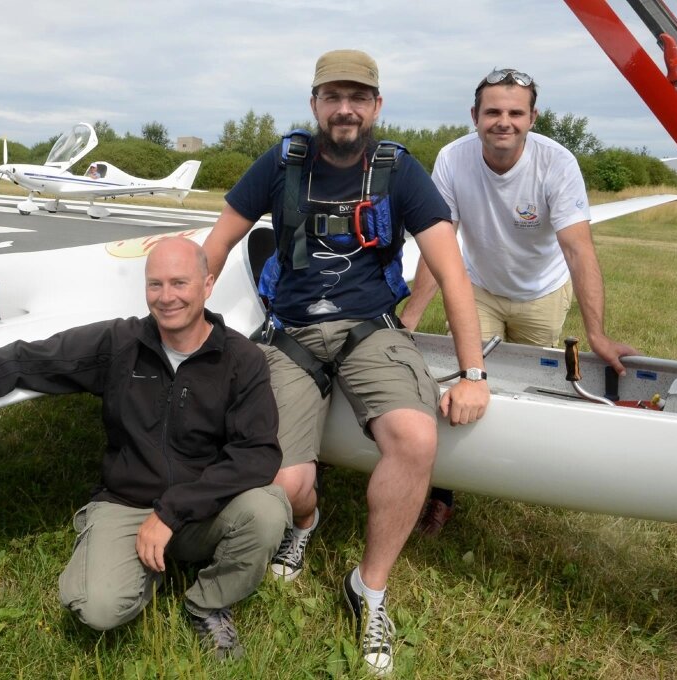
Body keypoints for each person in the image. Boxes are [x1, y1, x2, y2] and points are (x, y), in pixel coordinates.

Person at [0, 237, 291, 661]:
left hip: (199, 508)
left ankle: (208, 602)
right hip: (127, 502)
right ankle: (143, 566)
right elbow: (26, 359)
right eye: (154, 284)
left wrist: (172, 513)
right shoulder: (120, 344)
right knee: (96, 609)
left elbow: (257, 454)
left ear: (207, 285)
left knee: (269, 509)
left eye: (180, 283)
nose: (166, 297)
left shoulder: (241, 358)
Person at [202, 49, 489, 675]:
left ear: (377, 107)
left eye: (358, 97)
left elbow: (451, 272)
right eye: (332, 96)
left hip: (371, 329)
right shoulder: (282, 163)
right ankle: (306, 522)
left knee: (415, 439)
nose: (345, 109)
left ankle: (369, 588)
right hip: (294, 331)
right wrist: (183, 321)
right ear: (314, 104)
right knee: (282, 486)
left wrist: (473, 374)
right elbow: (218, 244)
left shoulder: (399, 170)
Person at [399, 67, 638, 536]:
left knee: (526, 388)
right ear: (475, 116)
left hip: (541, 293)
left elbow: (578, 250)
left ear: (532, 117)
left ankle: (509, 468)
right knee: (463, 383)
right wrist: (408, 318)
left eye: (514, 112)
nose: (502, 121)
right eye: (492, 112)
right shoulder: (452, 159)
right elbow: (438, 243)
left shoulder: (558, 162)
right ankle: (445, 493)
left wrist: (597, 335)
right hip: (478, 289)